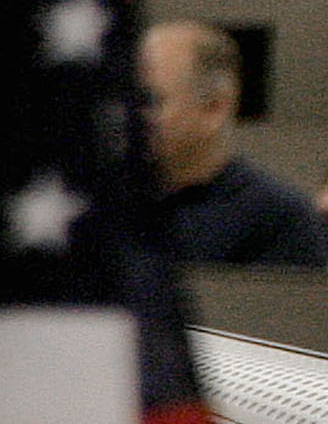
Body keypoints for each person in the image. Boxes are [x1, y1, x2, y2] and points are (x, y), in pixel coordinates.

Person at [140, 20, 328, 268]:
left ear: (215, 108)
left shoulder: (279, 221)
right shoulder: (96, 201)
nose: (130, 117)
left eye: (152, 101)